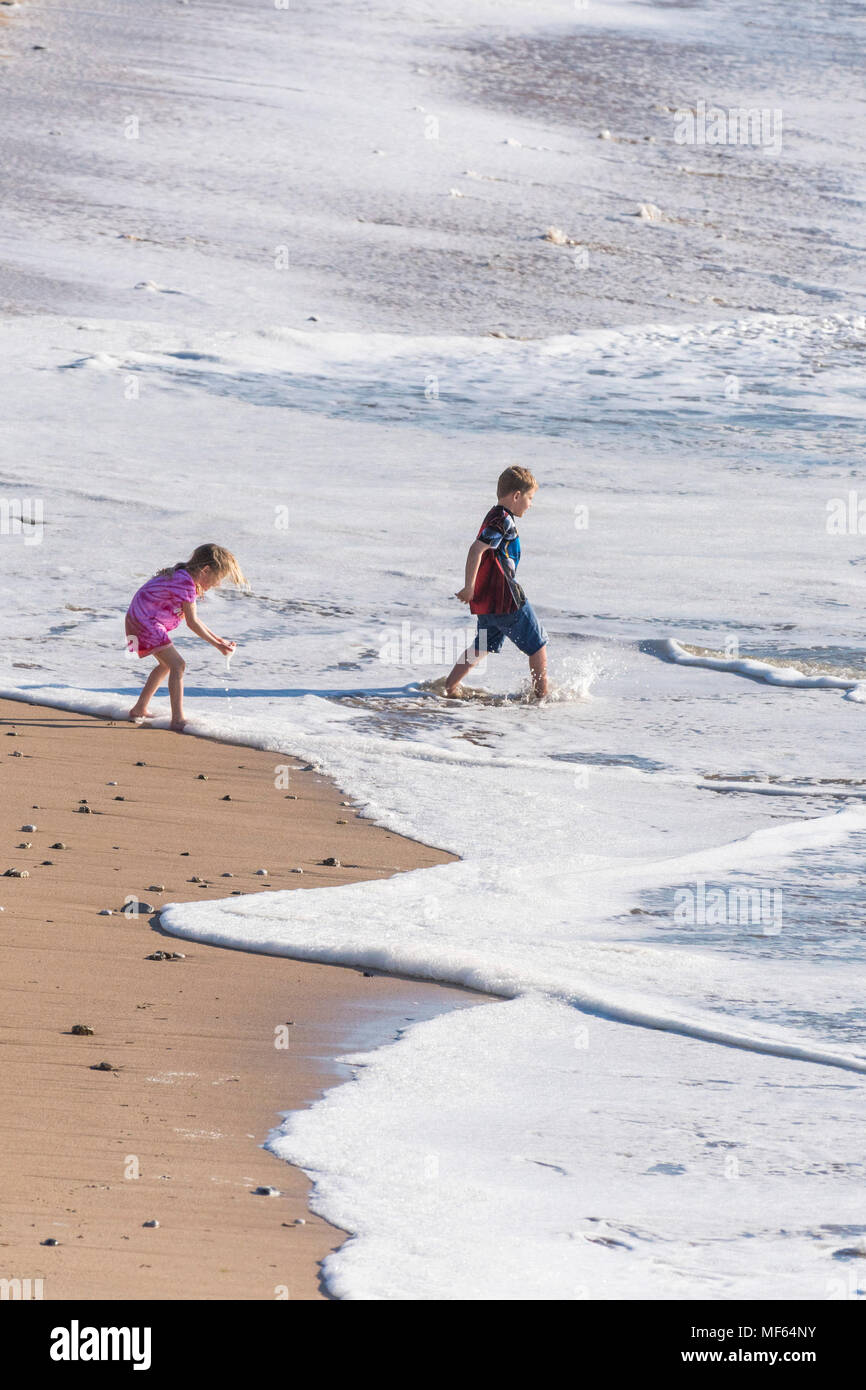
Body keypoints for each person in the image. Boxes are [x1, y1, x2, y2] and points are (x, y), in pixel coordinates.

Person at [445, 466, 548, 699]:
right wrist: (469, 587)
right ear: (516, 496)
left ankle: (450, 686)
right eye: (530, 498)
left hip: (489, 602)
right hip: (506, 598)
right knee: (538, 645)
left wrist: (475, 590)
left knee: (482, 645)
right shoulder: (502, 520)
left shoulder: (494, 515)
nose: (531, 504)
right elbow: (476, 549)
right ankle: (542, 698)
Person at [125, 543, 246, 731]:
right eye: (218, 578)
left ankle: (139, 708)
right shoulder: (186, 583)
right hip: (145, 622)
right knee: (178, 665)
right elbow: (192, 622)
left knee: (167, 665)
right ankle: (178, 719)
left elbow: (195, 620)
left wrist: (219, 640)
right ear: (205, 570)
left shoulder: (183, 576)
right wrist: (218, 645)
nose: (218, 584)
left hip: (139, 619)